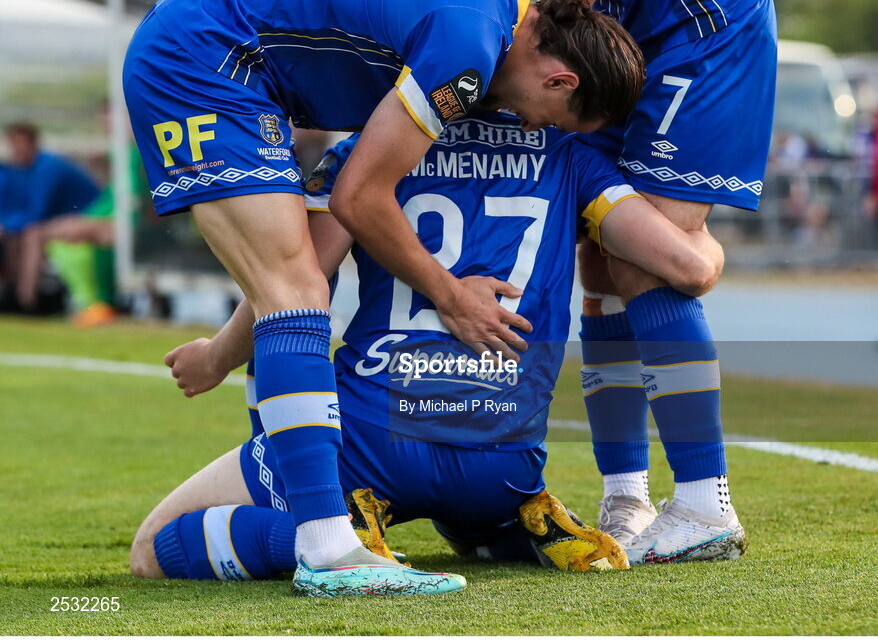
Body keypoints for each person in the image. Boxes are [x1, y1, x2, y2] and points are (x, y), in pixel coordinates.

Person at [346, 0, 778, 560]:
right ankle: (627, 497)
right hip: (623, 38)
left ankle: (705, 502)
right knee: (597, 262)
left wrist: (485, 59)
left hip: (700, 32)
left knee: (652, 256)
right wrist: (426, 0)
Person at [122, 0, 644, 596]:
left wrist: (221, 354)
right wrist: (453, 294)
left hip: (226, 45)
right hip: (208, 58)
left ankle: (326, 533)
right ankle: (327, 544)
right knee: (296, 290)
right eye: (562, 120)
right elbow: (359, 200)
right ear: (560, 82)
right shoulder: (470, 44)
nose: (537, 127)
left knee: (296, 280)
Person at [131, 109, 727, 581]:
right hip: (502, 457)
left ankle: (330, 531)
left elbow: (292, 286)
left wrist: (213, 356)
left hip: (371, 441)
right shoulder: (571, 157)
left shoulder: (365, 156)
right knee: (468, 521)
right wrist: (706, 243)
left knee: (154, 546)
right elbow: (682, 267)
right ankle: (522, 523)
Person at [0, 122, 101, 311]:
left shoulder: (48, 167)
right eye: (13, 143)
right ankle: (14, 293)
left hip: (91, 215)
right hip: (67, 217)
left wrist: (7, 224)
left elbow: (37, 211)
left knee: (32, 234)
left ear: (33, 143)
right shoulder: (23, 169)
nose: (16, 149)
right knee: (15, 237)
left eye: (20, 143)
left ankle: (26, 301)